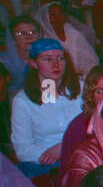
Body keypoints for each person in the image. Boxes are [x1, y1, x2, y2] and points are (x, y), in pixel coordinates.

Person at [11, 41, 81, 178]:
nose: (56, 64)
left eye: (60, 58)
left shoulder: (81, 88)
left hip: (80, 153)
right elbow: (22, 149)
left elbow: (93, 127)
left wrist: (65, 147)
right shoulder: (22, 101)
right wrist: (55, 153)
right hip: (44, 163)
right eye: (47, 59)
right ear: (34, 64)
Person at [36, 2, 97, 76]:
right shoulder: (44, 41)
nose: (58, 17)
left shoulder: (74, 34)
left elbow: (90, 59)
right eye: (53, 14)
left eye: (60, 13)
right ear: (45, 19)